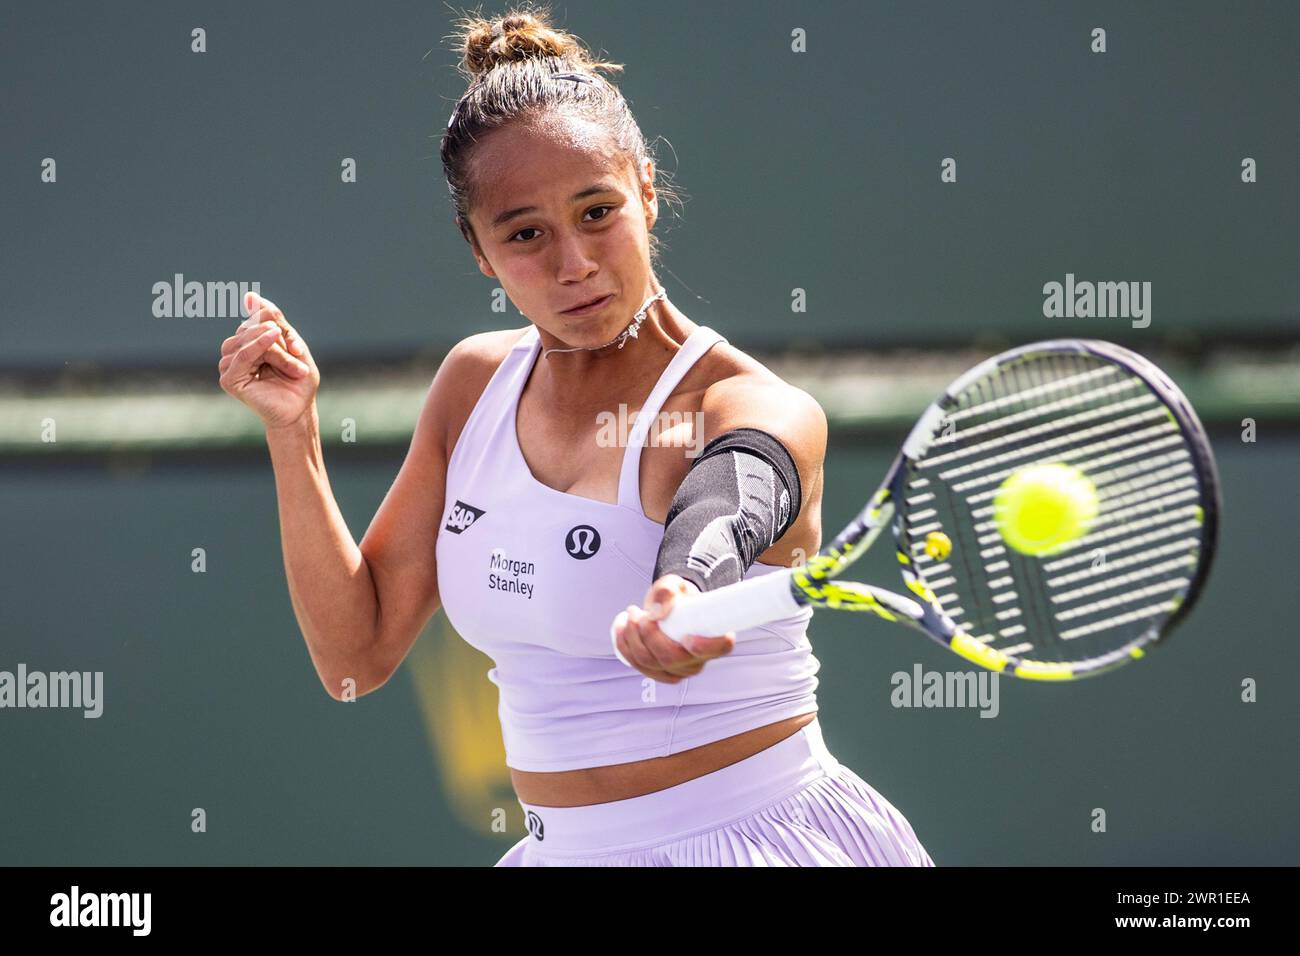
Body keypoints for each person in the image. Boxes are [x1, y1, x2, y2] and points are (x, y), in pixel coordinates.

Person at [218, 6, 934, 867]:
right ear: (480, 252)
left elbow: (735, 492)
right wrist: (293, 433)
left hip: (762, 845)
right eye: (526, 234)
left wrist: (682, 592)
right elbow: (354, 658)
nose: (574, 264)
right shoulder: (473, 385)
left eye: (599, 211)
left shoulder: (747, 401)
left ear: (647, 190)